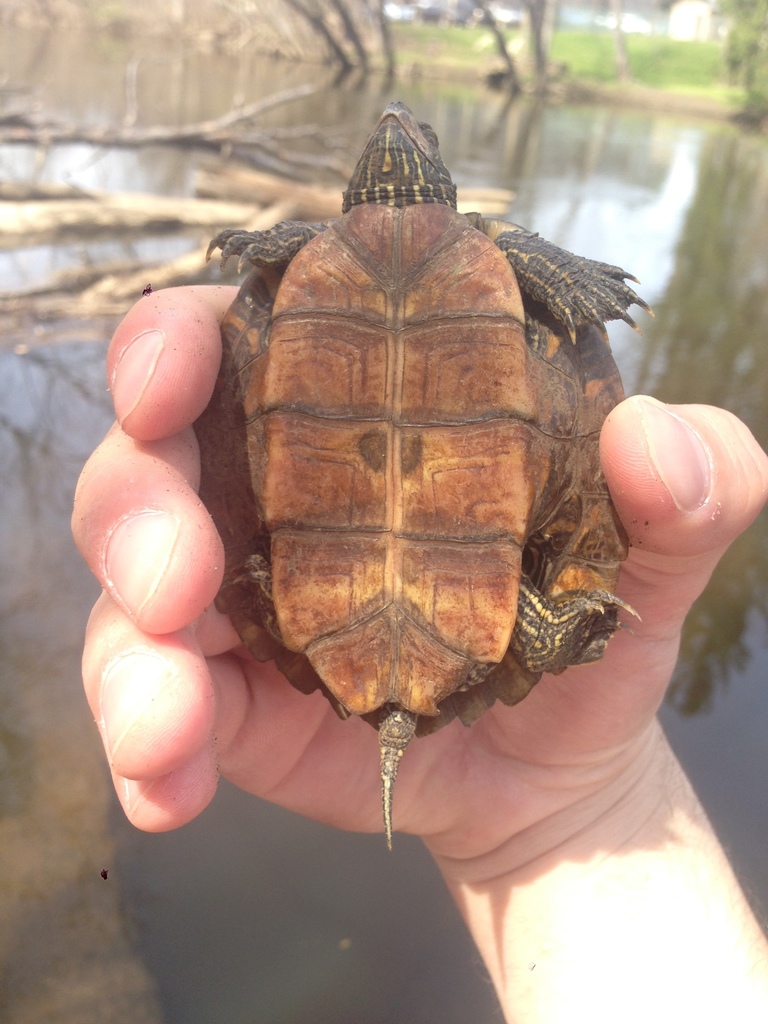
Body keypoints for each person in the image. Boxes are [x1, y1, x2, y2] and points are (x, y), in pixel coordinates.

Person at [72, 285, 768, 1021]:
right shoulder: (496, 276)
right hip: (470, 612)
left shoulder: (331, 277)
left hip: (340, 610)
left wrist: (583, 802)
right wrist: (583, 805)